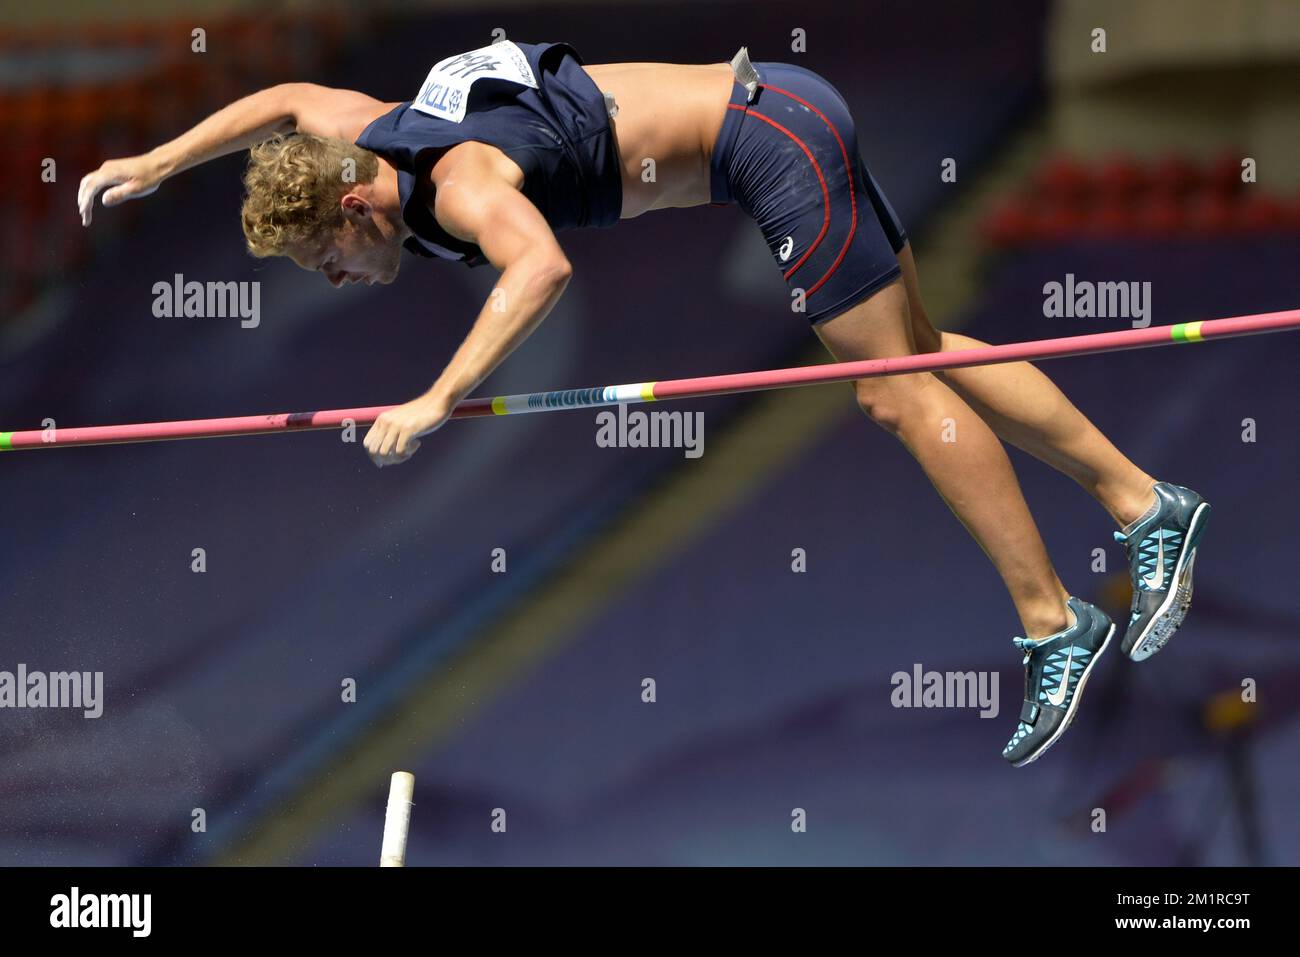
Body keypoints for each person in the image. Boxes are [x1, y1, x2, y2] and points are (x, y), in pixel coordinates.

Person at [77, 40, 1210, 765]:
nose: (334, 278)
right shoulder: (353, 132)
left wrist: (434, 400)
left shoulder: (463, 182)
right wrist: (159, 162)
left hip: (769, 144)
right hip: (780, 116)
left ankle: (1053, 619)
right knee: (917, 351)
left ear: (362, 202)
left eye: (328, 254)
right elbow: (277, 97)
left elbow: (540, 273)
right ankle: (1143, 503)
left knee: (892, 391)